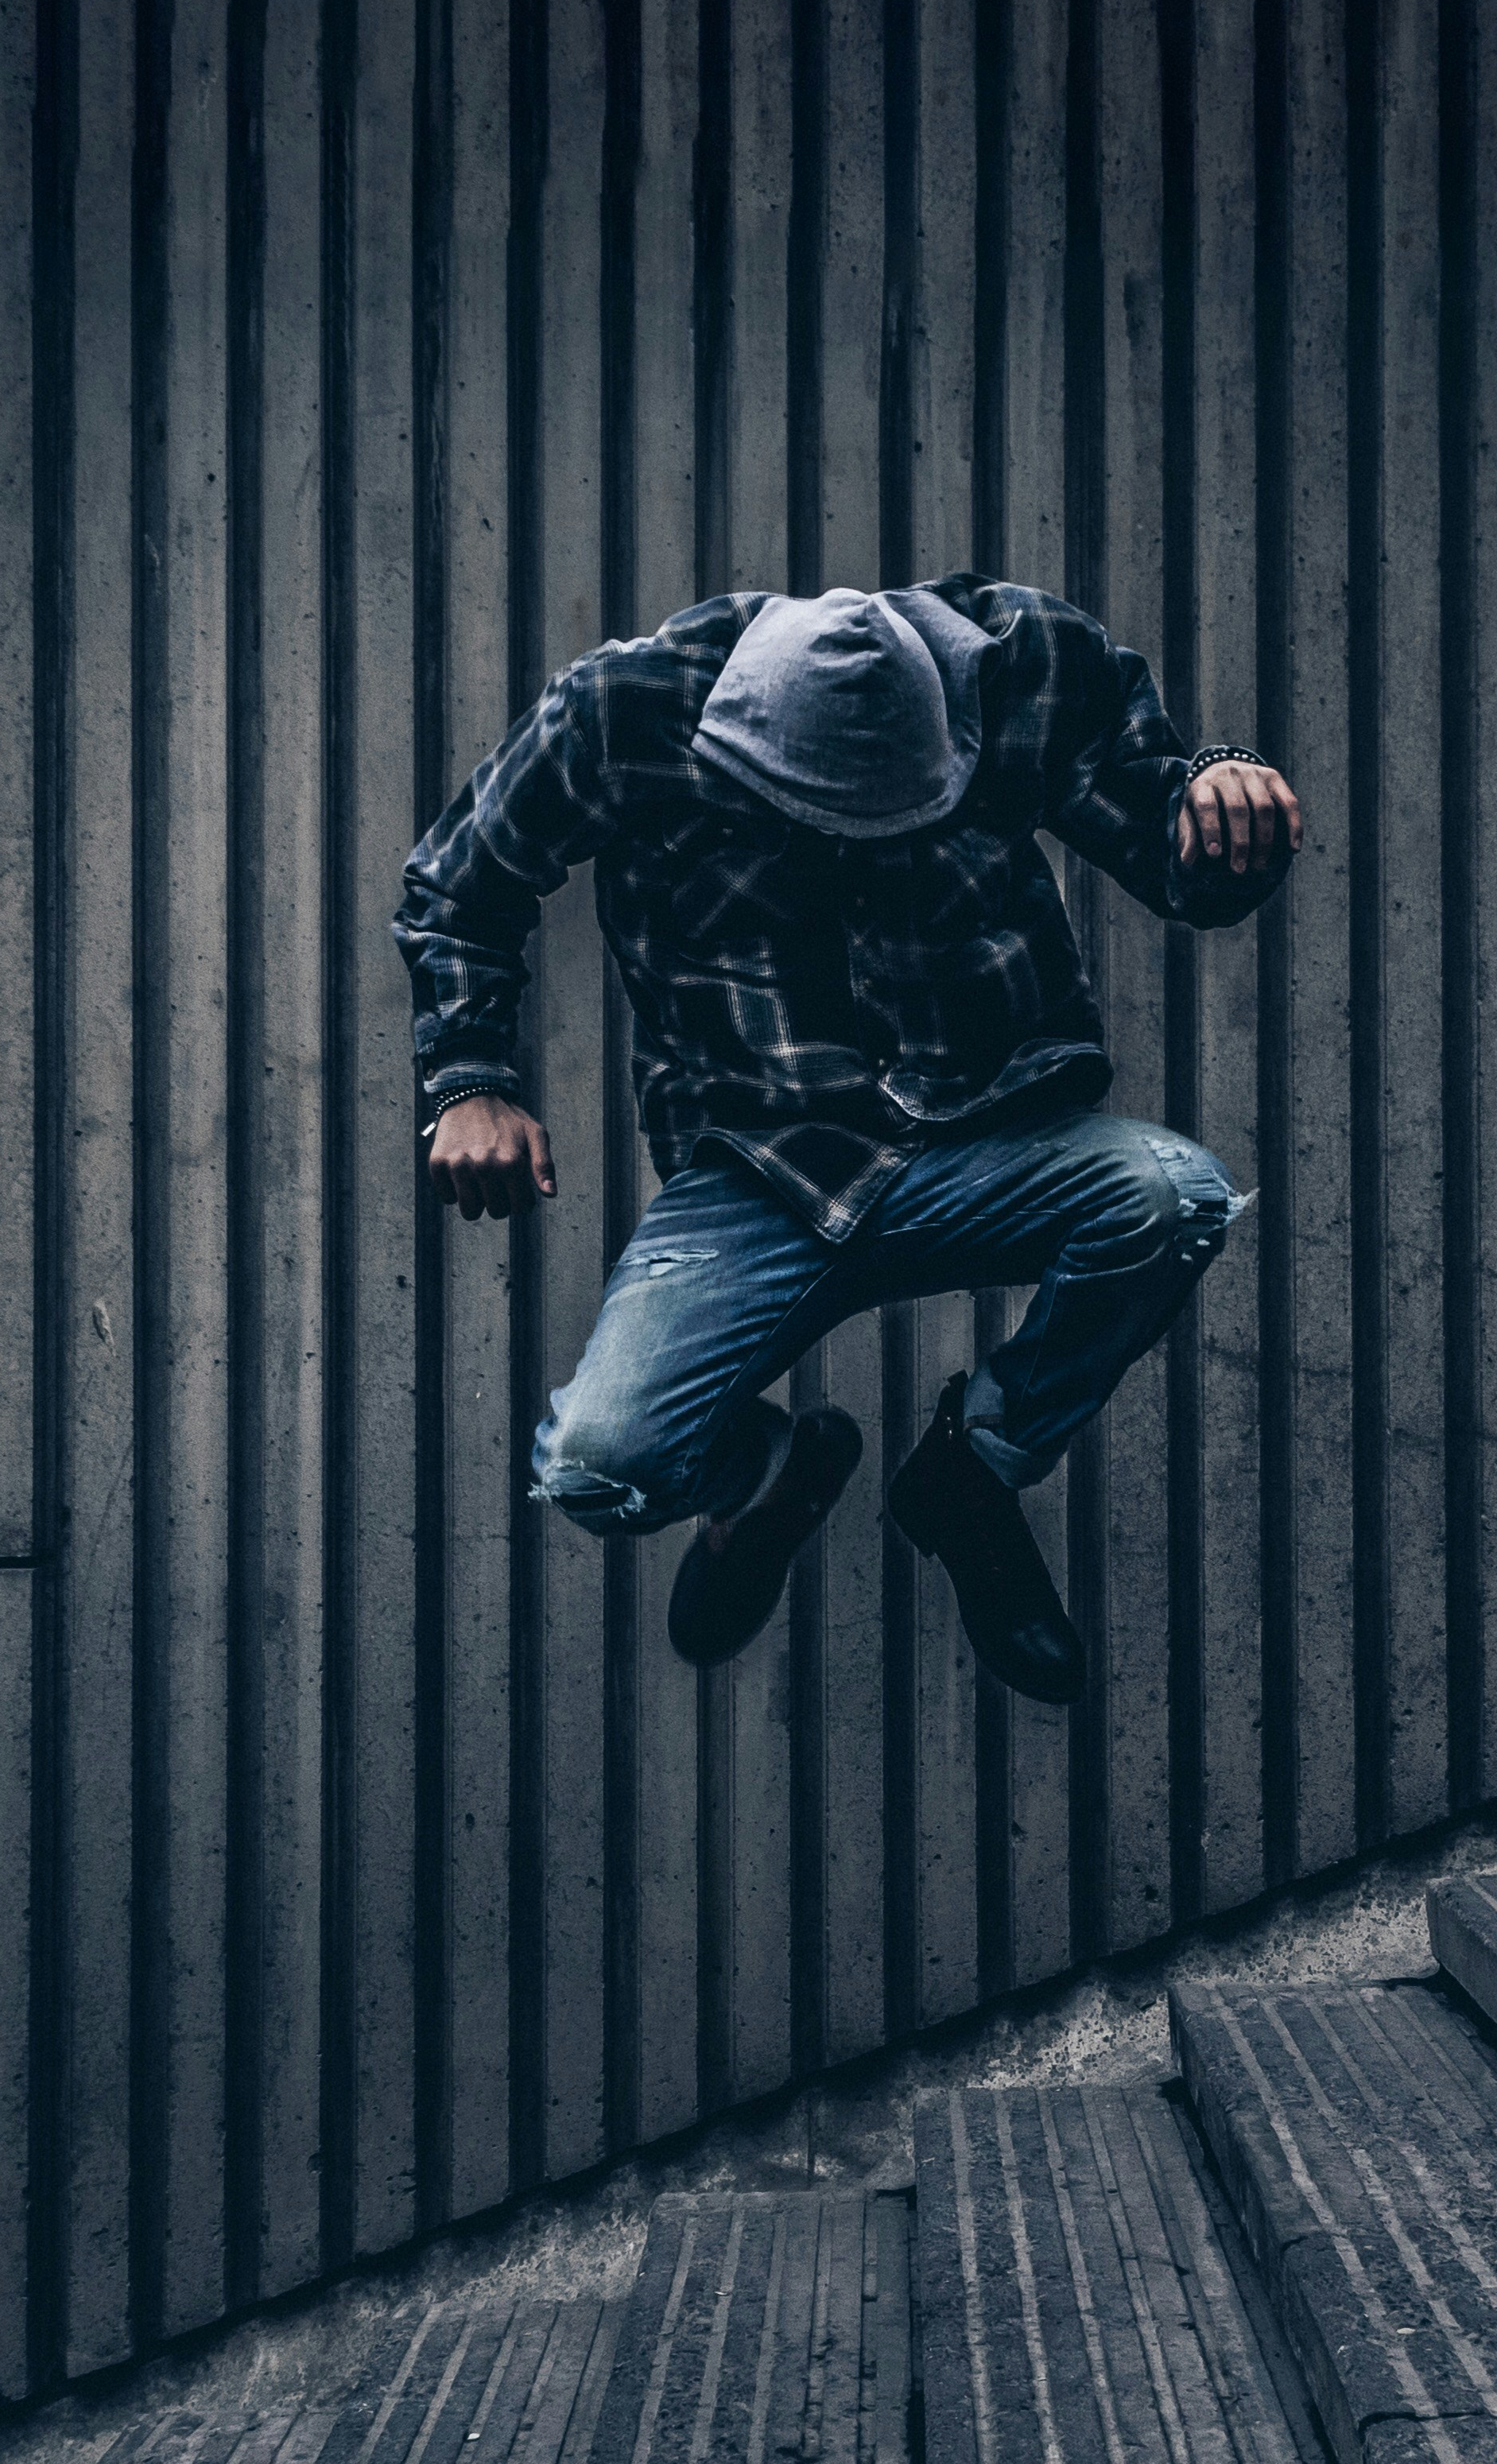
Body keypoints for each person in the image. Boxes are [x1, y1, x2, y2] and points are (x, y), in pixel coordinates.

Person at [396, 577, 1302, 1705]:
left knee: (1177, 1195)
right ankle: (768, 1477)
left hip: (980, 1136)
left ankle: (969, 1478)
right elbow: (456, 884)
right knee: (598, 1470)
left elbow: (1172, 844)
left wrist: (1219, 789)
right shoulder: (621, 711)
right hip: (763, 1168)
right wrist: (469, 1081)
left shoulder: (1022, 666)